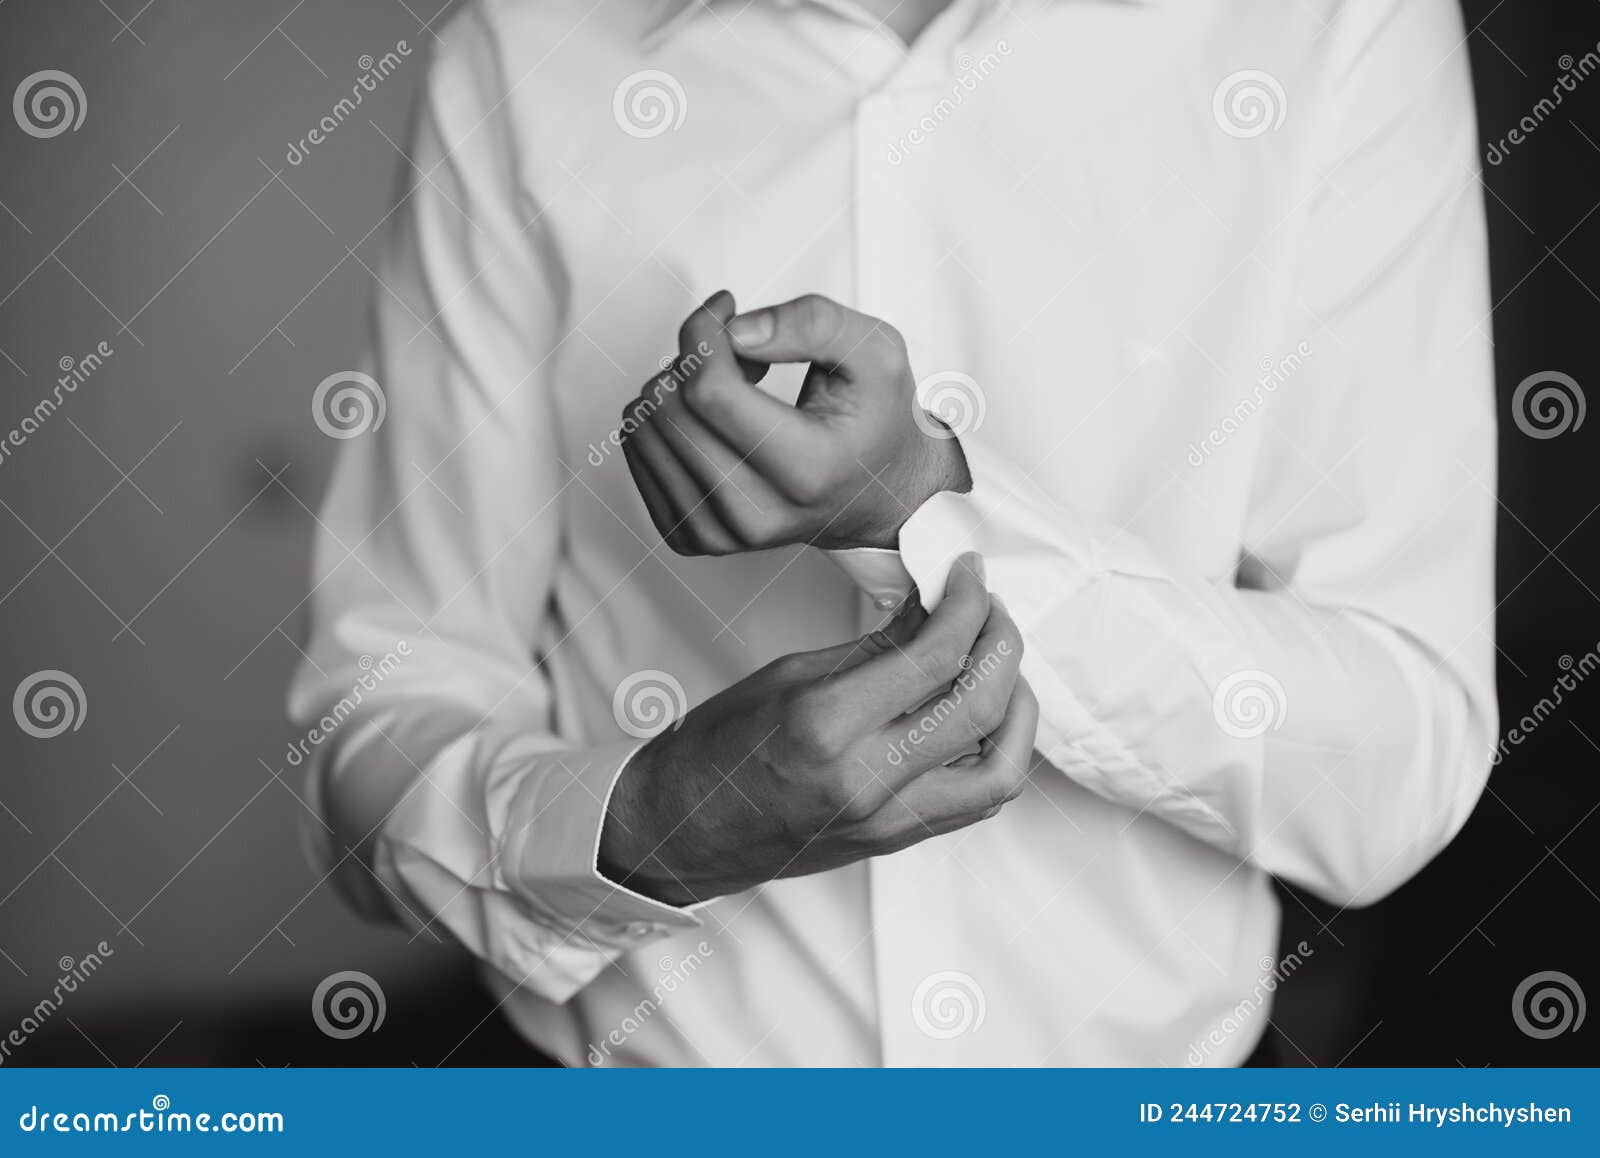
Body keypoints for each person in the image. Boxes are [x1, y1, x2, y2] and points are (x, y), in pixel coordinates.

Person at [289, 0, 1496, 1065]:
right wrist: (650, 827)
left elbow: (1400, 760)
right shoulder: (518, 51)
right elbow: (380, 702)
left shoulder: (1337, 23)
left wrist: (924, 513)